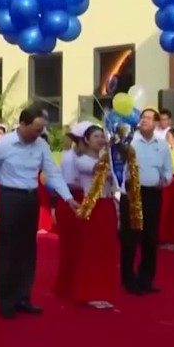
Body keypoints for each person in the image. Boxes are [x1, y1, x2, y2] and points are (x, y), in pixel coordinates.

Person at [0, 106, 77, 319]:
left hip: (30, 198)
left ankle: (23, 296)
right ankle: (5, 299)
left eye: (41, 129)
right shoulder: (4, 144)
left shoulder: (41, 145)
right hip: (9, 198)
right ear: (22, 124)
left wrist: (68, 198)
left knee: (28, 249)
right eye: (36, 129)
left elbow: (53, 174)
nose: (39, 133)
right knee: (7, 249)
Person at [119, 108, 172, 295]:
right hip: (132, 193)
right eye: (143, 117)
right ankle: (128, 278)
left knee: (150, 237)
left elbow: (168, 169)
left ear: (156, 123)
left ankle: (146, 278)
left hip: (153, 194)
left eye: (149, 118)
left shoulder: (162, 145)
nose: (145, 120)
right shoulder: (129, 141)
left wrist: (165, 180)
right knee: (130, 236)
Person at [68, 124, 118, 309]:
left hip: (107, 205)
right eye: (96, 136)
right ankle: (90, 293)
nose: (100, 140)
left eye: (102, 136)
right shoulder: (82, 161)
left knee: (107, 250)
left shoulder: (108, 159)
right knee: (92, 250)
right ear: (86, 140)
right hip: (92, 207)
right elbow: (99, 168)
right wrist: (112, 150)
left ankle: (104, 292)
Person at [54, 122, 86, 297]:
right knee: (70, 247)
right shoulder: (69, 158)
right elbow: (67, 183)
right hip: (71, 201)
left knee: (81, 247)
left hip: (84, 201)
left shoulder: (90, 157)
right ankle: (66, 284)